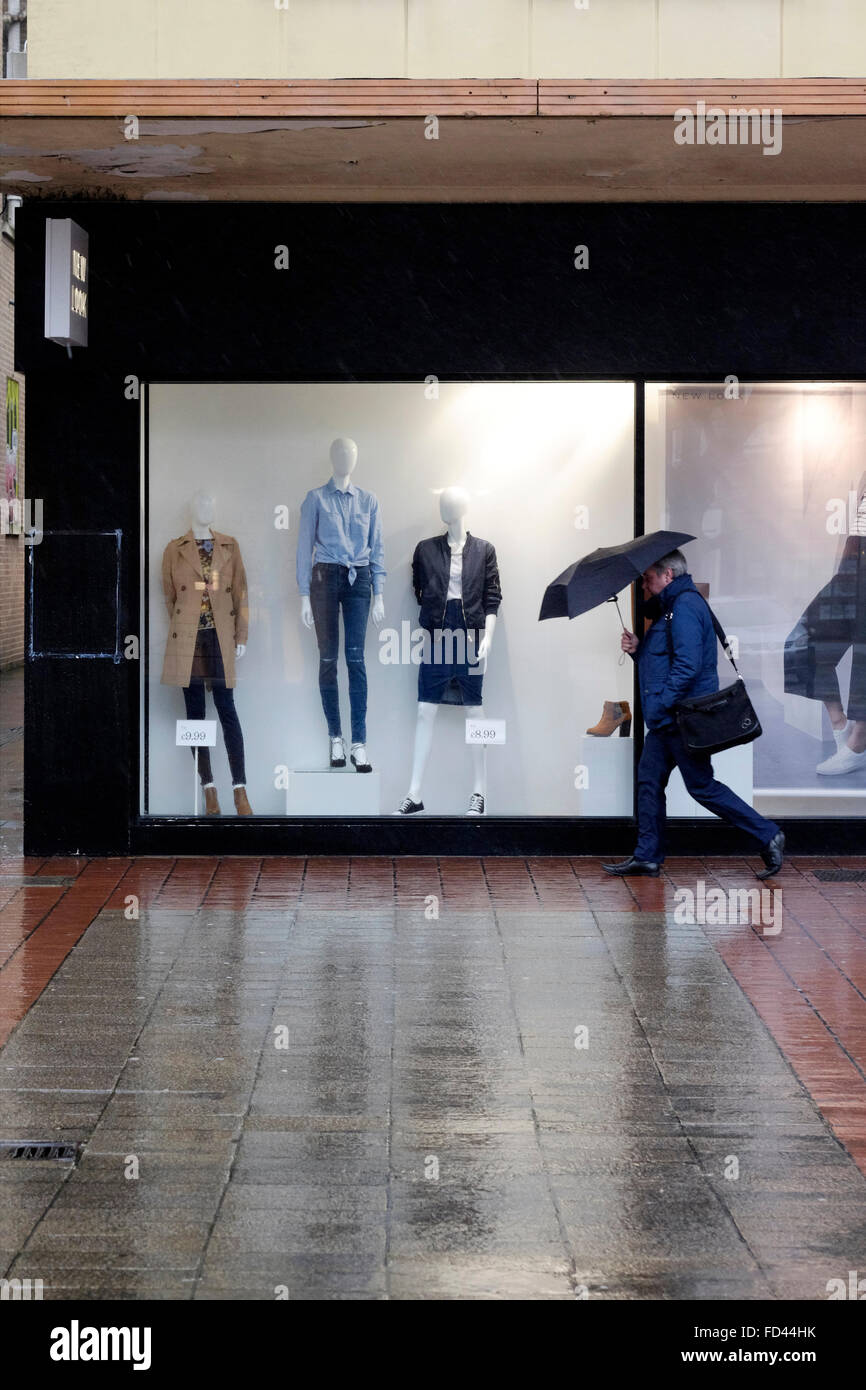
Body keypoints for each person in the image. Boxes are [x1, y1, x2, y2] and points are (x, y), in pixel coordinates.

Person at [603, 550, 784, 879]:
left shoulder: (684, 606)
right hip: (667, 721)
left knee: (701, 787)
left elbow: (687, 667)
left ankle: (768, 834)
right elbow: (664, 663)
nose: (645, 583)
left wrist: (660, 704)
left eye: (649, 577)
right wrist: (638, 650)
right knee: (648, 782)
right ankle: (647, 856)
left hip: (680, 719)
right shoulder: (671, 608)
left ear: (668, 575)